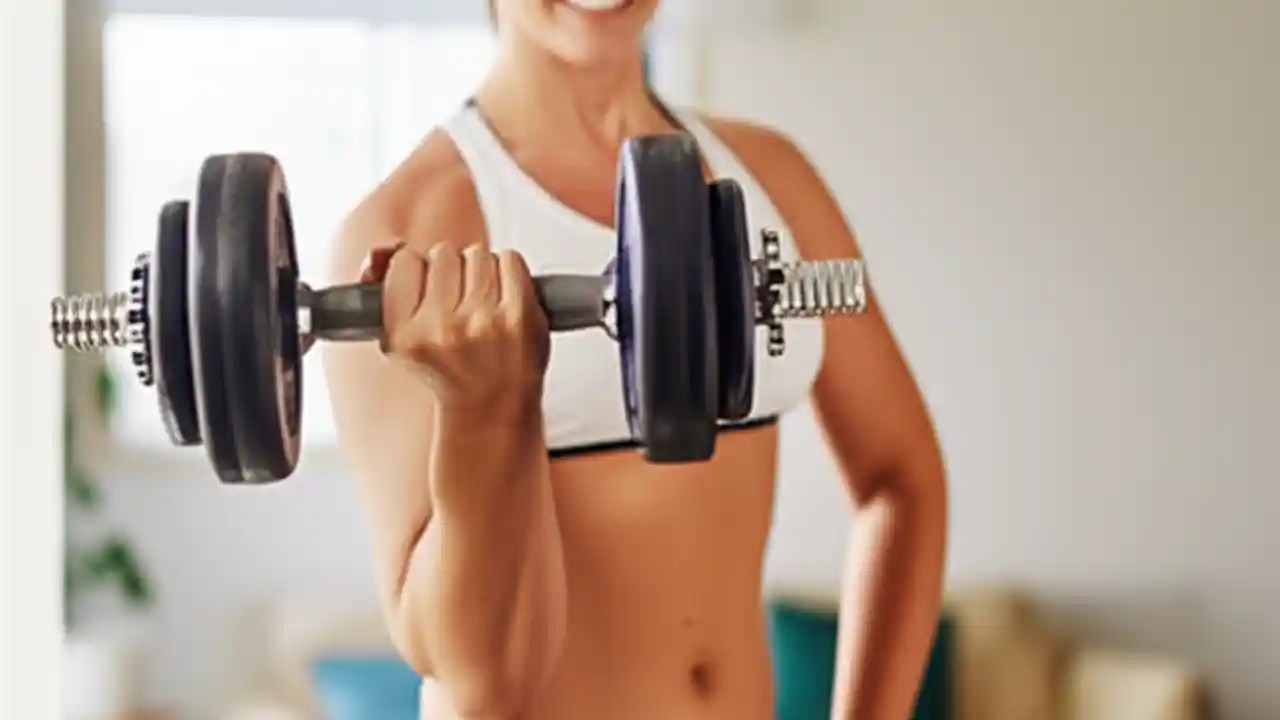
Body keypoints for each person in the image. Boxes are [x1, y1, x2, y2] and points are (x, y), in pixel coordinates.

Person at [321, 1, 948, 718]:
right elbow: (477, 677)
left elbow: (901, 478)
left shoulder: (771, 175)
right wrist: (484, 413)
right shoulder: (408, 232)